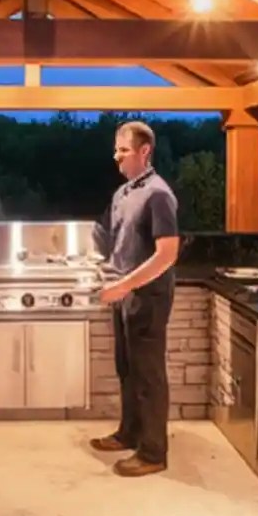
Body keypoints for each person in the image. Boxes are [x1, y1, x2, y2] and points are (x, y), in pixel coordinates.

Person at [88, 120, 180, 477]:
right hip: (124, 294)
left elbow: (168, 253)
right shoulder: (124, 193)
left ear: (144, 151)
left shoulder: (158, 194)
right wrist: (96, 264)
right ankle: (129, 433)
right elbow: (114, 241)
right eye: (116, 150)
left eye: (123, 150)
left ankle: (154, 452)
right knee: (127, 368)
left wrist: (125, 285)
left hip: (148, 297)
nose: (117, 157)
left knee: (148, 374)